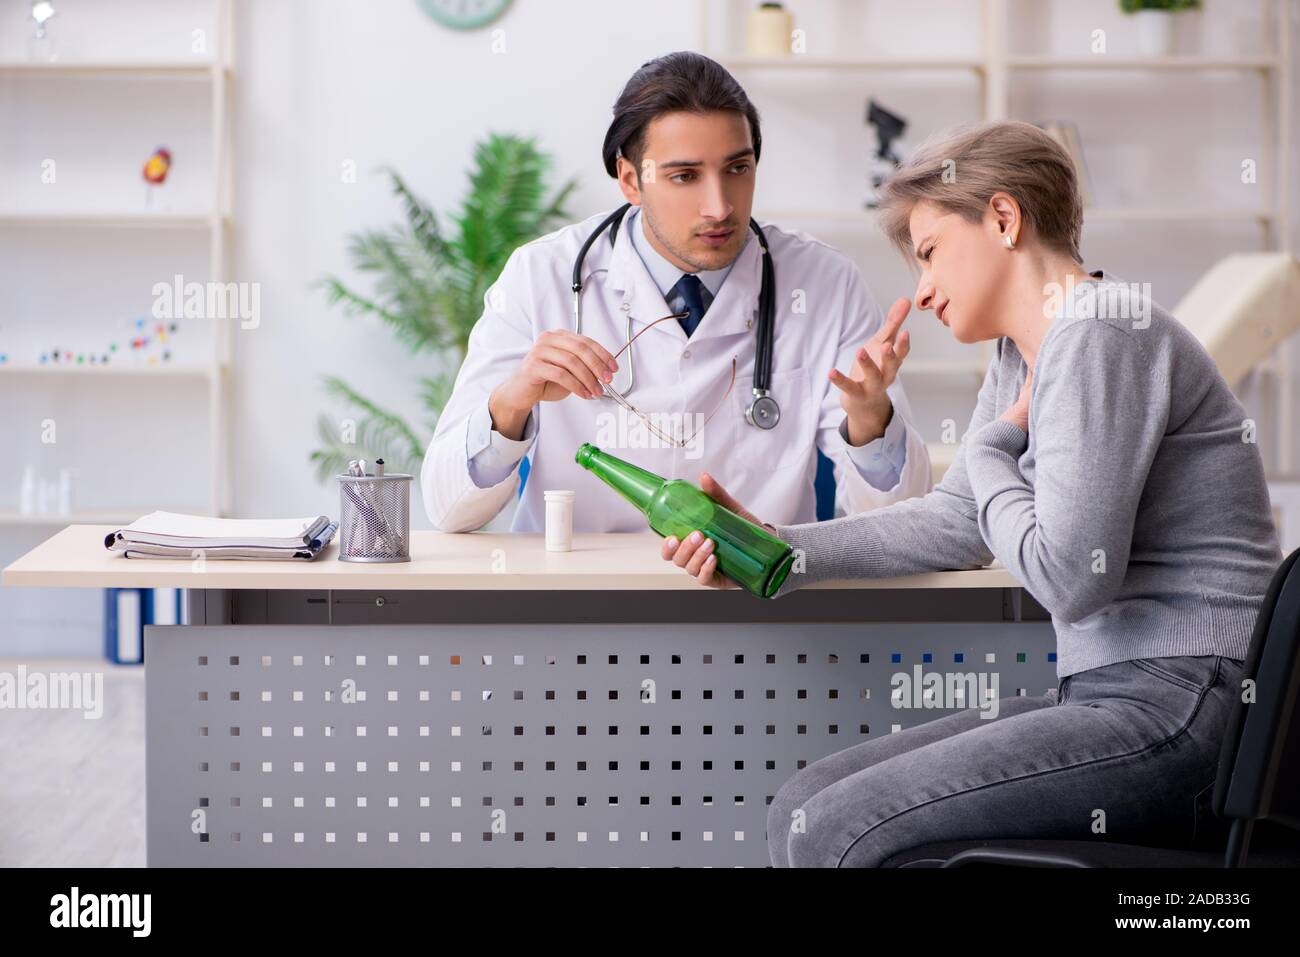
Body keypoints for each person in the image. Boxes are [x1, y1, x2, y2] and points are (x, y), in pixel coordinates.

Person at [659, 120, 1283, 867]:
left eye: (928, 254)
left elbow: (1071, 578)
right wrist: (777, 547)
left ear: (1003, 218)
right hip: (1115, 691)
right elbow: (960, 519)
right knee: (803, 808)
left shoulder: (1099, 333)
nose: (921, 292)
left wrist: (987, 450)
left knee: (836, 827)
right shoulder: (1023, 357)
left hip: (1188, 701)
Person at [420, 52, 932, 533]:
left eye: (737, 169)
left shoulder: (822, 282)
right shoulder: (542, 275)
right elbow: (449, 510)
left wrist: (869, 418)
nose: (719, 207)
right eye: (685, 176)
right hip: (578, 605)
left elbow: (901, 519)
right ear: (630, 179)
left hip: (755, 607)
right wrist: (512, 403)